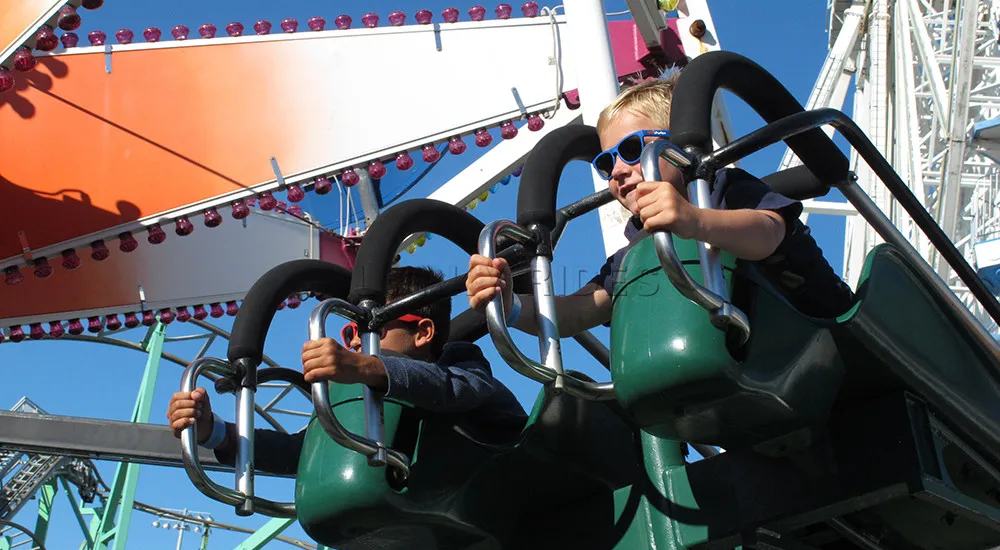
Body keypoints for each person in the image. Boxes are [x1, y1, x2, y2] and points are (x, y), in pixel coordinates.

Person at [466, 76, 854, 334]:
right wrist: (511, 305)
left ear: (681, 145)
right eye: (606, 163)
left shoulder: (725, 190)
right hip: (749, 358)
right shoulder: (638, 247)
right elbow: (583, 309)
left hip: (828, 328)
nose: (617, 171)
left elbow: (770, 232)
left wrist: (695, 220)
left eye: (632, 150)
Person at [167, 266, 527, 475]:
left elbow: (460, 390)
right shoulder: (364, 404)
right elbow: (302, 452)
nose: (356, 343)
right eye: (351, 332)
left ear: (423, 333)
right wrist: (214, 433)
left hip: (521, 476)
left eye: (372, 331)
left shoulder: (461, 361)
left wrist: (368, 367)